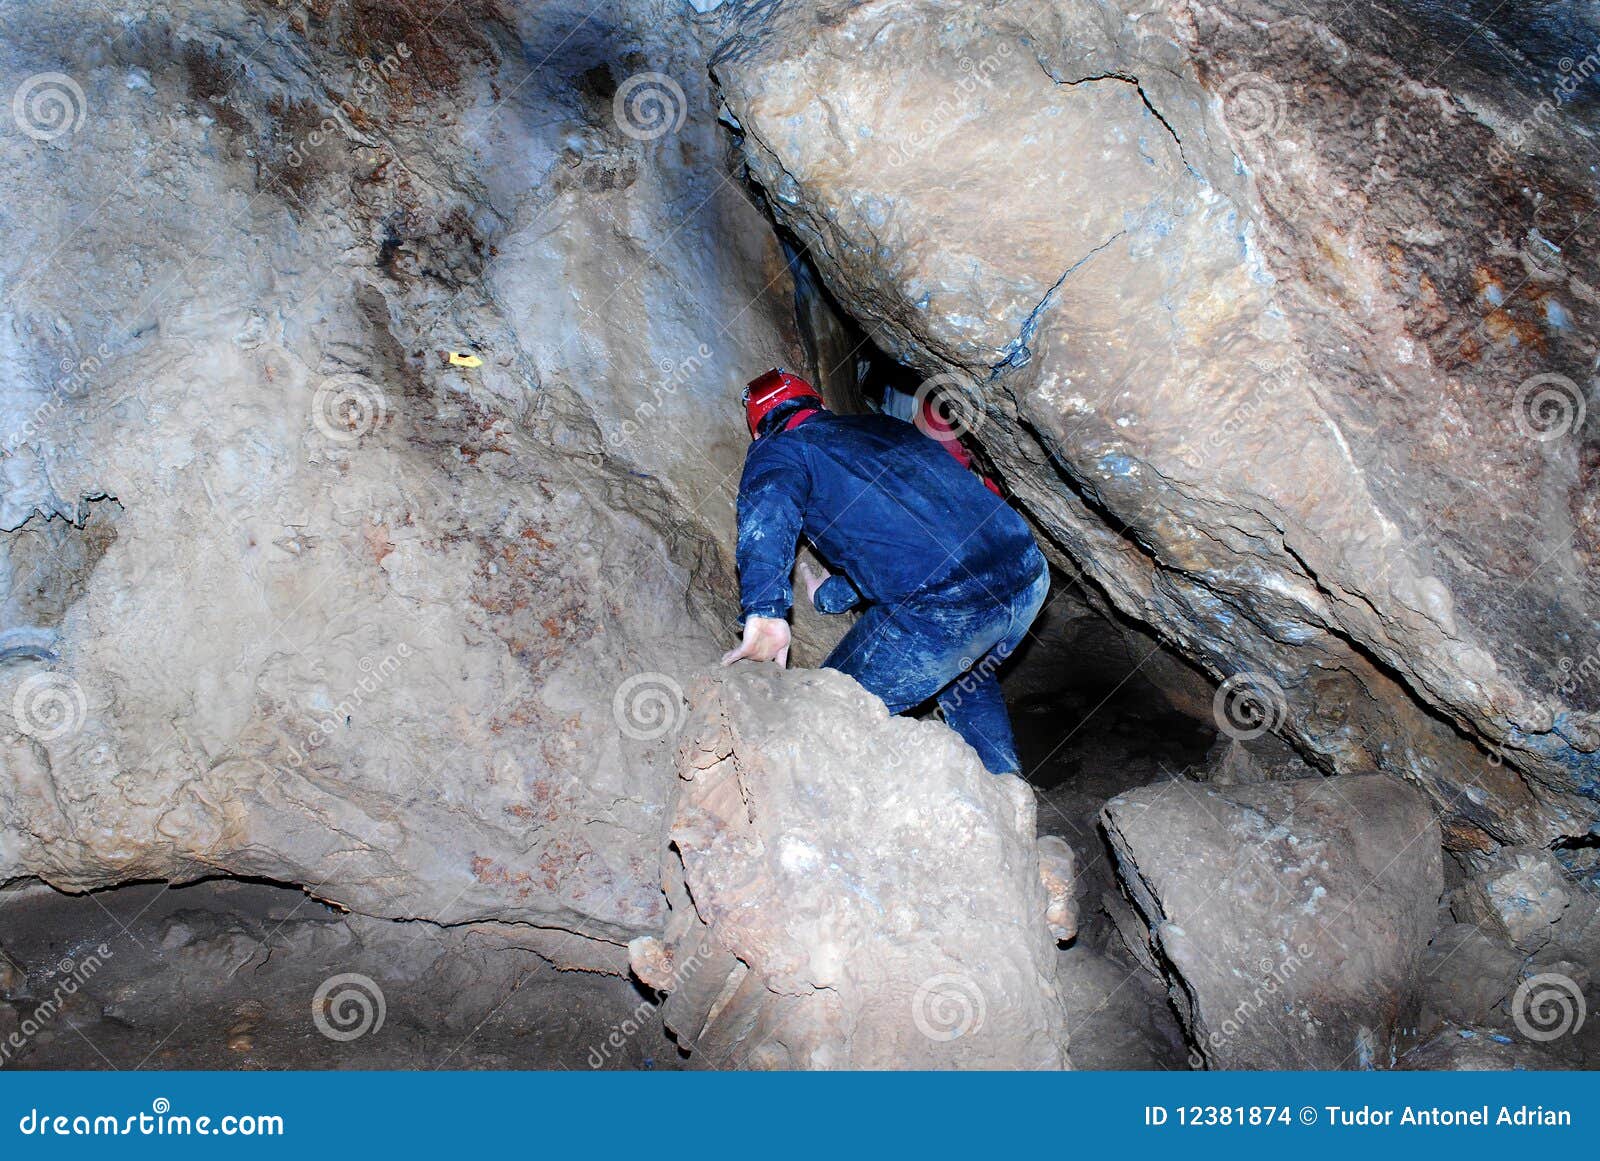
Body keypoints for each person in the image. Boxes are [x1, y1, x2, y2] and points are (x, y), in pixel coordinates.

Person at [720, 368, 1049, 777]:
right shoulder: (886, 428)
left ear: (758, 434)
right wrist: (830, 595)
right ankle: (1006, 793)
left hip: (948, 606)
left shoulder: (782, 449)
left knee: (828, 708)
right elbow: (904, 536)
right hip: (1028, 578)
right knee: (964, 675)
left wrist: (766, 609)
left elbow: (769, 509)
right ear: (820, 405)